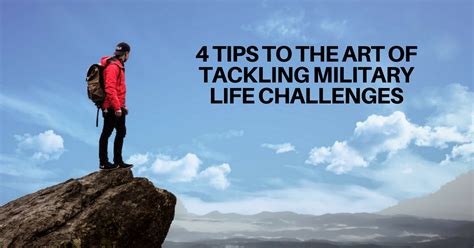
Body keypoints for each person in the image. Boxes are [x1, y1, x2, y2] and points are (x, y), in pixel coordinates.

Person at [99, 42, 133, 170]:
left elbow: (119, 89)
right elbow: (110, 88)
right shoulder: (113, 67)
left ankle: (118, 161)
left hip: (117, 106)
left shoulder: (119, 66)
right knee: (106, 133)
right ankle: (103, 162)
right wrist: (117, 107)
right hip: (110, 106)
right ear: (126, 53)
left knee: (121, 132)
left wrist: (122, 106)